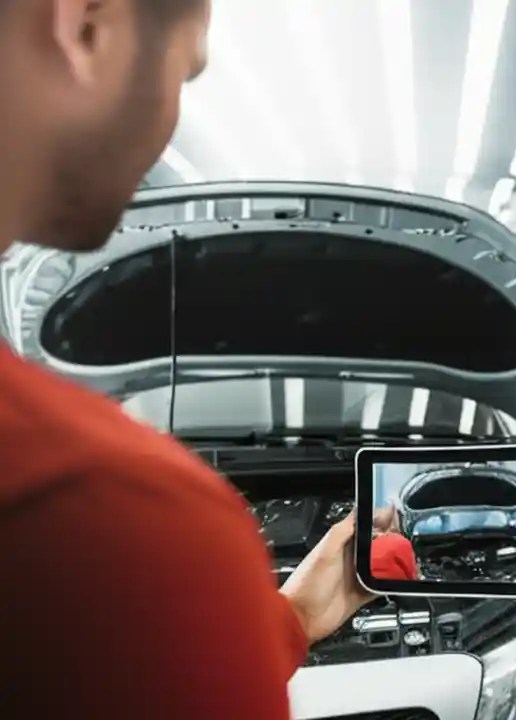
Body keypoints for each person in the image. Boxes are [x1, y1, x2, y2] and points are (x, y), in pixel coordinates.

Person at [0, 1, 373, 716]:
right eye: (187, 71)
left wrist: (283, 621)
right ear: (87, 26)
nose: (171, 112)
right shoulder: (108, 513)